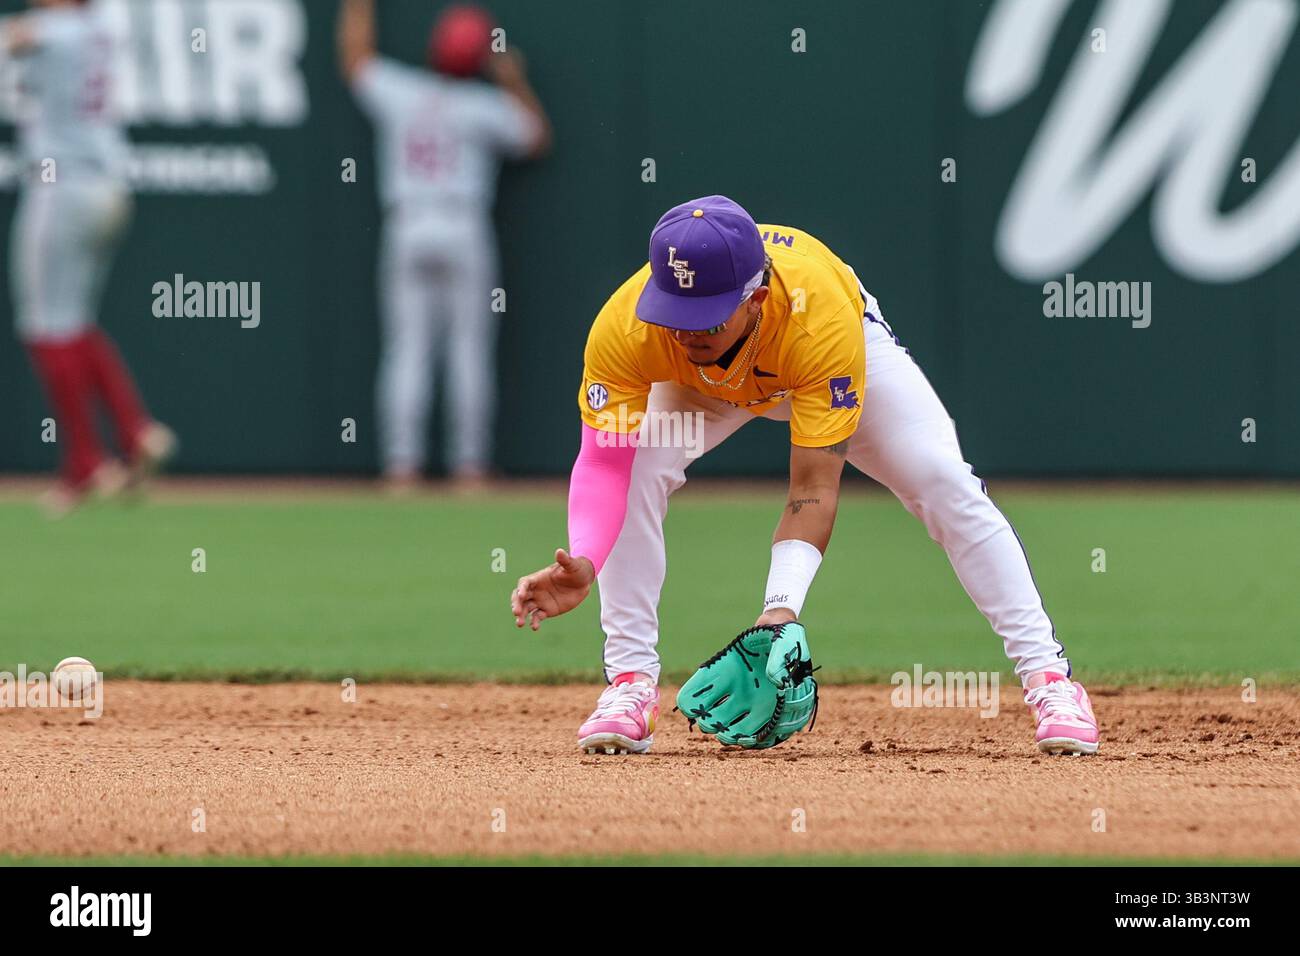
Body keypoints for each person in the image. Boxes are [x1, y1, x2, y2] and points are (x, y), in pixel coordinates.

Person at [510, 195, 1101, 757]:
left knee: (941, 479)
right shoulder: (632, 328)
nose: (686, 332)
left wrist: (780, 610)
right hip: (705, 389)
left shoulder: (816, 321)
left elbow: (812, 487)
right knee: (638, 463)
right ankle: (630, 683)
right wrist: (587, 556)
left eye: (705, 318)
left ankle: (1049, 679)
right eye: (674, 313)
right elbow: (604, 461)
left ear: (755, 297)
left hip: (812, 361)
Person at [337, 0, 551, 492]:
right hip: (462, 226)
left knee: (407, 348)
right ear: (481, 58)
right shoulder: (485, 106)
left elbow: (354, 59)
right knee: (468, 350)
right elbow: (537, 137)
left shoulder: (403, 93)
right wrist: (513, 78)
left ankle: (401, 467)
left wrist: (358, 6)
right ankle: (469, 468)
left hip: (408, 225)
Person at [1, 0, 175, 517]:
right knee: (73, 323)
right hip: (108, 186)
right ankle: (134, 429)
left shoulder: (57, 30)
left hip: (64, 186)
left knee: (43, 327)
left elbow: (19, 35)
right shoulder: (98, 25)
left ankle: (85, 462)